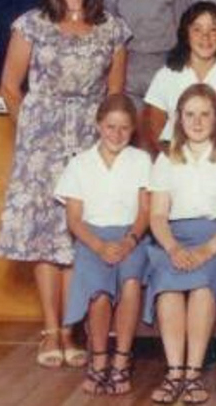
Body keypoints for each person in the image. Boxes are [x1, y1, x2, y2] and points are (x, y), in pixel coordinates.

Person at [0, 0, 129, 369]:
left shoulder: (112, 28)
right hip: (42, 145)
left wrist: (105, 145)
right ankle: (51, 330)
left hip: (89, 141)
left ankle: (72, 329)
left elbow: (114, 96)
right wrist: (32, 133)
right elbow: (9, 87)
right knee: (46, 237)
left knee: (76, 235)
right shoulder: (32, 24)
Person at [144, 84, 216, 405]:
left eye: (205, 114)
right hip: (174, 239)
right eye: (190, 114)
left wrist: (208, 250)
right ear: (179, 118)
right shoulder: (167, 159)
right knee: (168, 284)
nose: (197, 122)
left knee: (202, 284)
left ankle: (193, 374)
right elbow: (157, 215)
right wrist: (173, 249)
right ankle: (174, 372)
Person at [56, 95, 151, 396]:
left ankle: (121, 360)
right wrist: (98, 246)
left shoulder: (141, 160)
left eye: (124, 128)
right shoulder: (80, 164)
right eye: (110, 127)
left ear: (133, 129)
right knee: (98, 293)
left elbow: (144, 211)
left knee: (131, 284)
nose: (117, 134)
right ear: (99, 125)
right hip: (92, 238)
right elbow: (74, 219)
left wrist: (130, 240)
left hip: (131, 236)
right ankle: (99, 360)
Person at [143, 2, 216, 152]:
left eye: (213, 30)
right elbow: (154, 127)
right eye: (197, 30)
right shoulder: (166, 75)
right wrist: (171, 157)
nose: (205, 37)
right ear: (186, 34)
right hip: (175, 154)